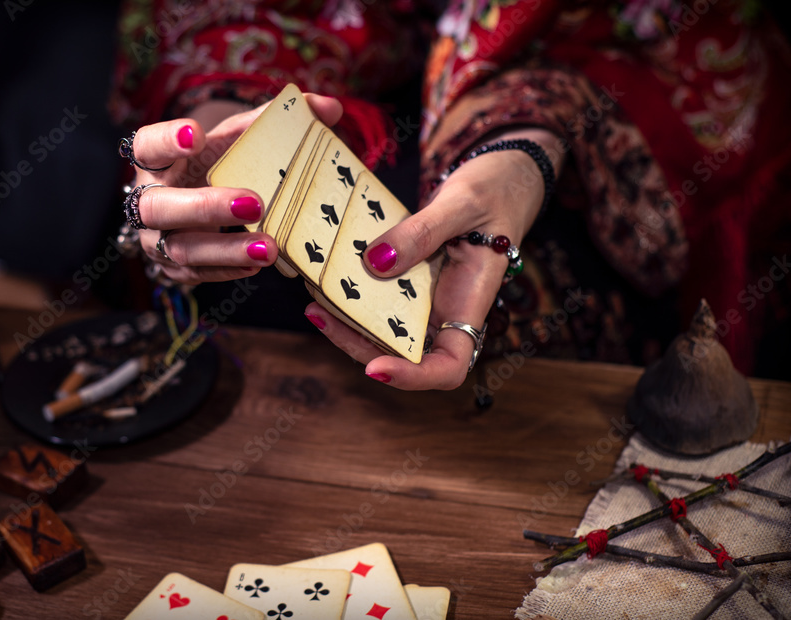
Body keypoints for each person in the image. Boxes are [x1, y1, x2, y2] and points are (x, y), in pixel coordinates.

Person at [109, 1, 791, 388]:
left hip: (617, 108)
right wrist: (228, 136)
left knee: (521, 307)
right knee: (249, 285)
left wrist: (522, 152)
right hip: (360, 92)